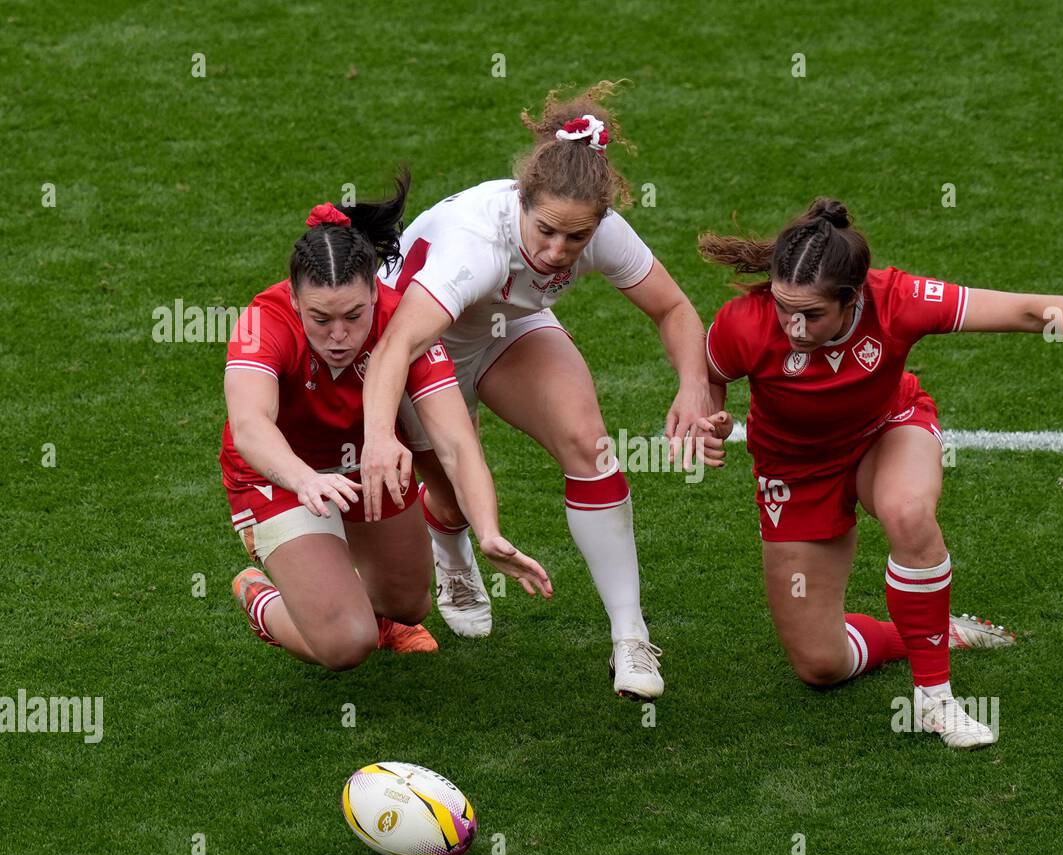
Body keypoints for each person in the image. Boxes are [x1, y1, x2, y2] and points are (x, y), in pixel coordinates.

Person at [692, 198, 1063, 748]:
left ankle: (936, 702)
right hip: (795, 468)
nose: (794, 325)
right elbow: (708, 375)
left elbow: (1025, 311)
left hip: (885, 431)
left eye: (811, 314)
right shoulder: (744, 324)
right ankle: (929, 632)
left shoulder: (898, 299)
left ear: (853, 297)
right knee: (821, 667)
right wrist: (707, 416)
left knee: (908, 513)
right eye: (785, 307)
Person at [361, 82, 713, 700]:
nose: (557, 253)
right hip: (421, 341)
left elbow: (675, 309)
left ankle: (630, 636)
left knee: (589, 442)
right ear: (521, 201)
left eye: (575, 239)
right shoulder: (472, 247)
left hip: (506, 327)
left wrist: (693, 388)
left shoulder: (599, 231)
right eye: (546, 231)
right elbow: (396, 349)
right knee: (449, 493)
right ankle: (452, 547)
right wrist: (377, 438)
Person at [221, 171, 551, 672]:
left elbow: (457, 443)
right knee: (345, 646)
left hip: (369, 464)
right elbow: (250, 427)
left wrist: (487, 533)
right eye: (320, 319)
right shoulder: (263, 321)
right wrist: (305, 481)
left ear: (375, 294)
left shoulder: (402, 323)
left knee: (408, 605)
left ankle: (355, 602)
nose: (339, 335)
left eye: (353, 315)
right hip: (280, 477)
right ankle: (261, 598)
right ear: (293, 300)